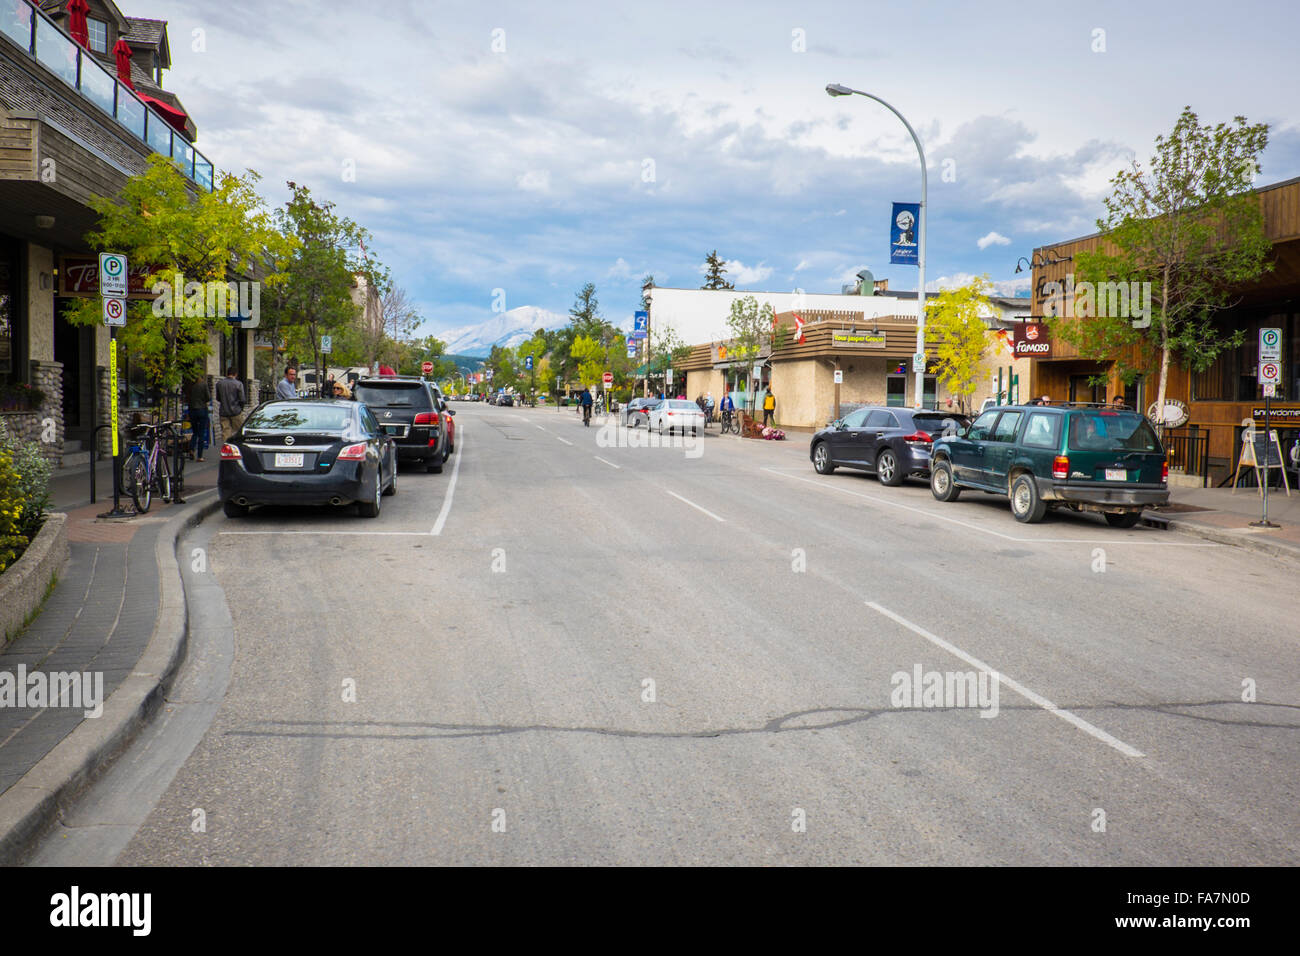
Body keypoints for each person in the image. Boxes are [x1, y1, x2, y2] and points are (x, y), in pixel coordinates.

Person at [215, 368, 246, 442]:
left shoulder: (219, 384)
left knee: (226, 432)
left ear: (227, 374)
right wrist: (241, 408)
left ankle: (227, 448)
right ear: (235, 374)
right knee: (239, 431)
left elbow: (218, 398)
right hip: (236, 411)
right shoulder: (238, 384)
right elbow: (242, 399)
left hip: (223, 411)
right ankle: (239, 447)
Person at [188, 378, 211, 462]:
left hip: (192, 410)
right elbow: (208, 397)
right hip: (202, 409)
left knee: (195, 432)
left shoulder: (191, 386)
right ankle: (200, 456)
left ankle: (191, 448)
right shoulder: (203, 385)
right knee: (201, 433)